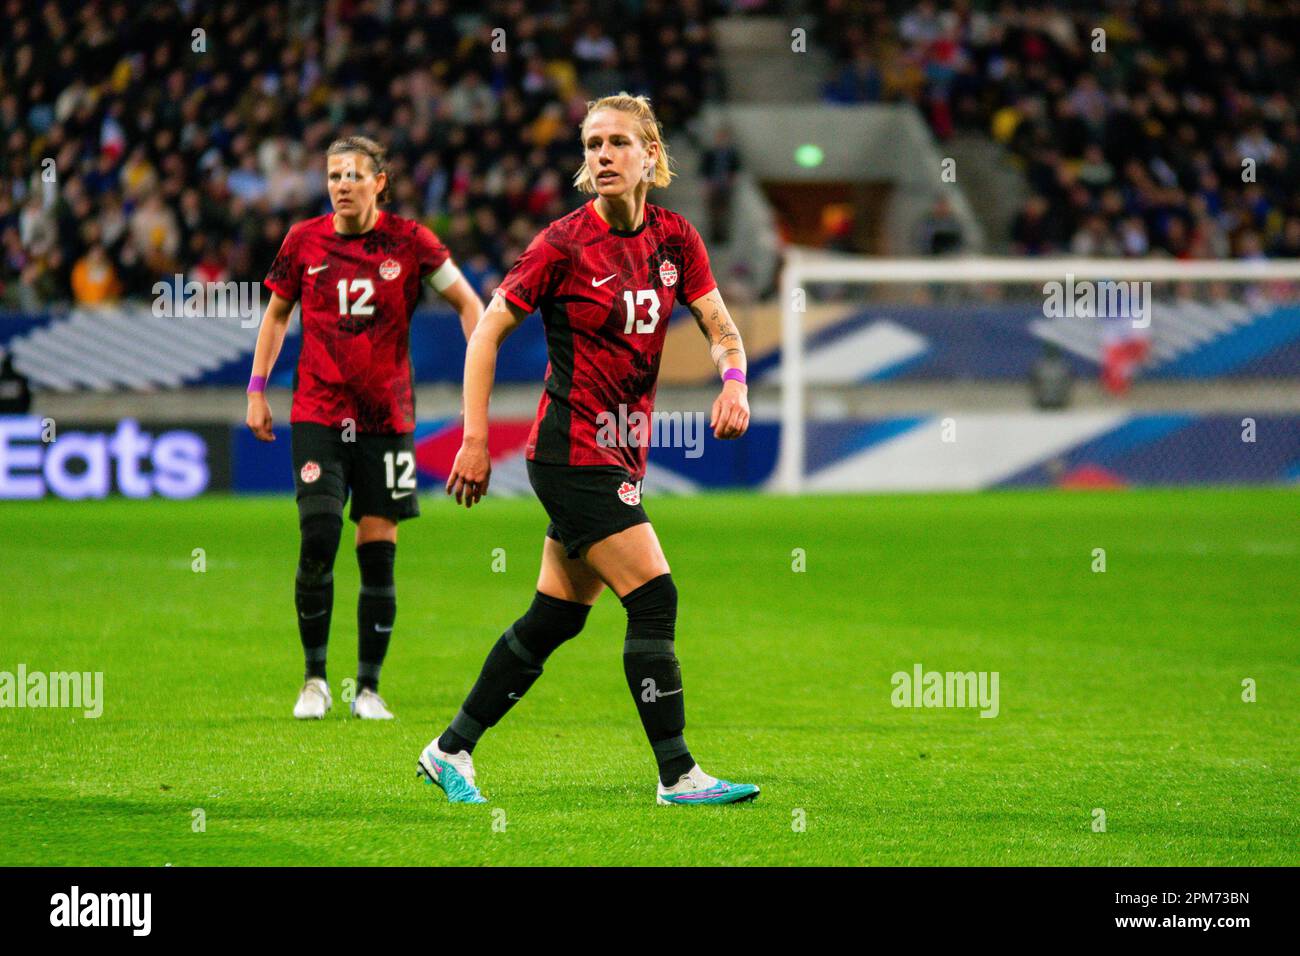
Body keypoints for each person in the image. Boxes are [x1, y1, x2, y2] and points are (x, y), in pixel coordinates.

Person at [418, 94, 759, 806]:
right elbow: (485, 334)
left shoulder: (676, 240)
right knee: (655, 597)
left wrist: (736, 383)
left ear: (651, 157)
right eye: (592, 143)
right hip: (571, 449)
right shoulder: (562, 244)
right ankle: (678, 775)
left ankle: (449, 750)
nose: (602, 155)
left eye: (617, 143)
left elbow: (722, 327)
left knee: (556, 617)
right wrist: (476, 439)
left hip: (619, 451)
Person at [246, 136, 484, 720]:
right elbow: (277, 315)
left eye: (354, 174)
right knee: (320, 536)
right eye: (333, 175)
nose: (342, 184)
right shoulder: (304, 241)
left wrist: (473, 387)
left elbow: (473, 306)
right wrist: (257, 389)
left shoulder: (411, 242)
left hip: (387, 421)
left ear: (380, 181)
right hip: (320, 414)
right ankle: (314, 681)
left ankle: (369, 689)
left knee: (378, 554)